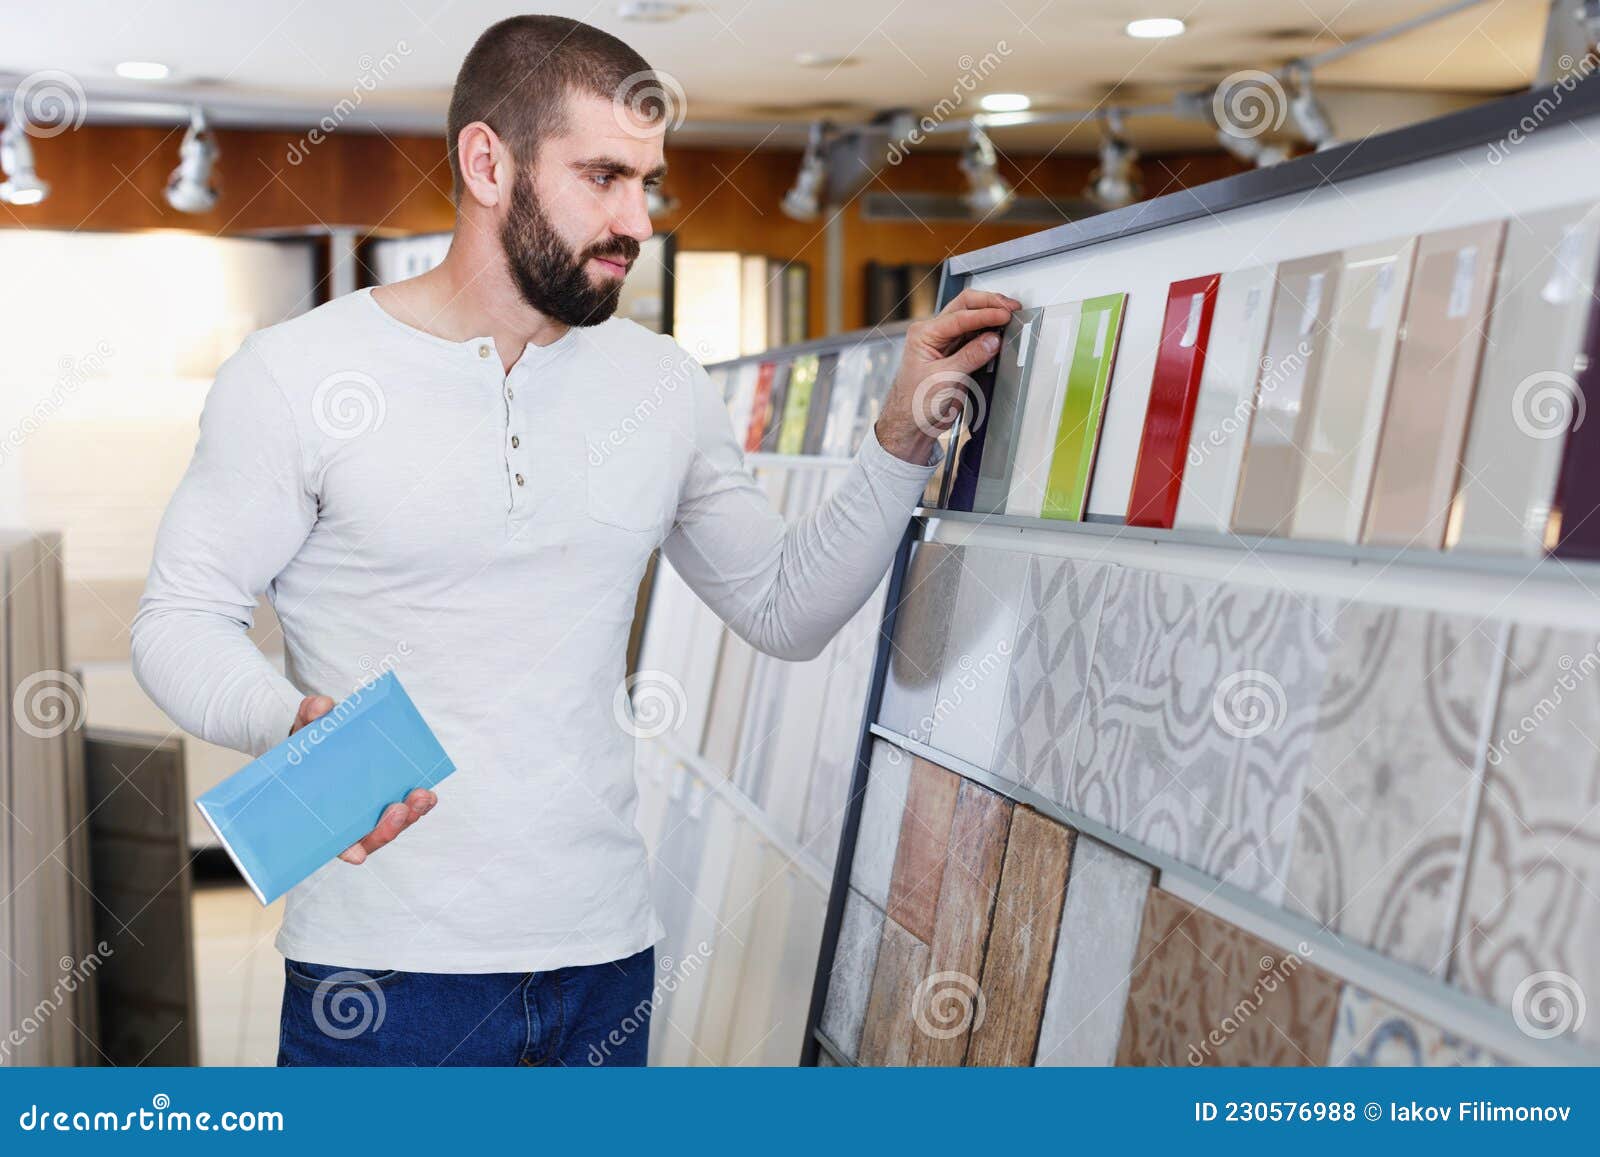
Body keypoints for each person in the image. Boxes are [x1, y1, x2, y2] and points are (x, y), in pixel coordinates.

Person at [132, 13, 1017, 1067]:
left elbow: (786, 609)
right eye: (602, 177)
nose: (635, 220)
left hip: (606, 959)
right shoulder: (295, 374)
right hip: (381, 975)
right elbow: (179, 620)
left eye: (647, 183)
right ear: (487, 163)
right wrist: (290, 723)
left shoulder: (661, 383)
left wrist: (900, 436)